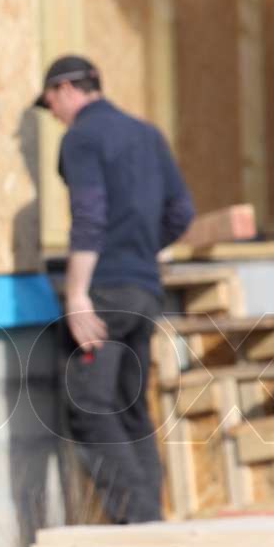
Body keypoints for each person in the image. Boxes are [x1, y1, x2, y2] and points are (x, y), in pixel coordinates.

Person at [34, 55, 196, 523]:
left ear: (66, 89)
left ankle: (138, 524)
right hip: (145, 289)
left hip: (104, 292)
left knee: (90, 406)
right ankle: (152, 524)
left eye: (51, 103)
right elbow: (181, 213)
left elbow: (89, 216)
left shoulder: (82, 138)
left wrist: (77, 294)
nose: (54, 115)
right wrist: (139, 248)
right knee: (129, 409)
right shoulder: (147, 135)